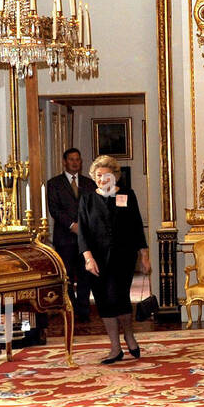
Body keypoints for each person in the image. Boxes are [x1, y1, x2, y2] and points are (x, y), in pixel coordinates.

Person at [77, 155, 150, 364]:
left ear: (115, 176)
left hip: (123, 256)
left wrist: (144, 256)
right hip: (96, 259)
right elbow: (83, 232)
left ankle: (128, 335)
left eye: (107, 175)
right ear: (94, 177)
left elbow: (137, 227)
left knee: (119, 297)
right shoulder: (87, 200)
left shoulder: (127, 195)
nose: (102, 179)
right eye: (99, 176)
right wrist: (88, 258)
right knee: (103, 300)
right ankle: (115, 347)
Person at [47, 147, 93, 322]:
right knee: (66, 276)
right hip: (65, 238)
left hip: (85, 238)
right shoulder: (54, 183)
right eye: (72, 159)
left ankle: (84, 311)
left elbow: (93, 207)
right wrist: (72, 225)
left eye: (78, 159)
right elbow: (54, 209)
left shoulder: (89, 183)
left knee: (85, 275)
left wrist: (86, 225)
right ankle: (70, 308)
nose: (75, 162)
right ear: (65, 162)